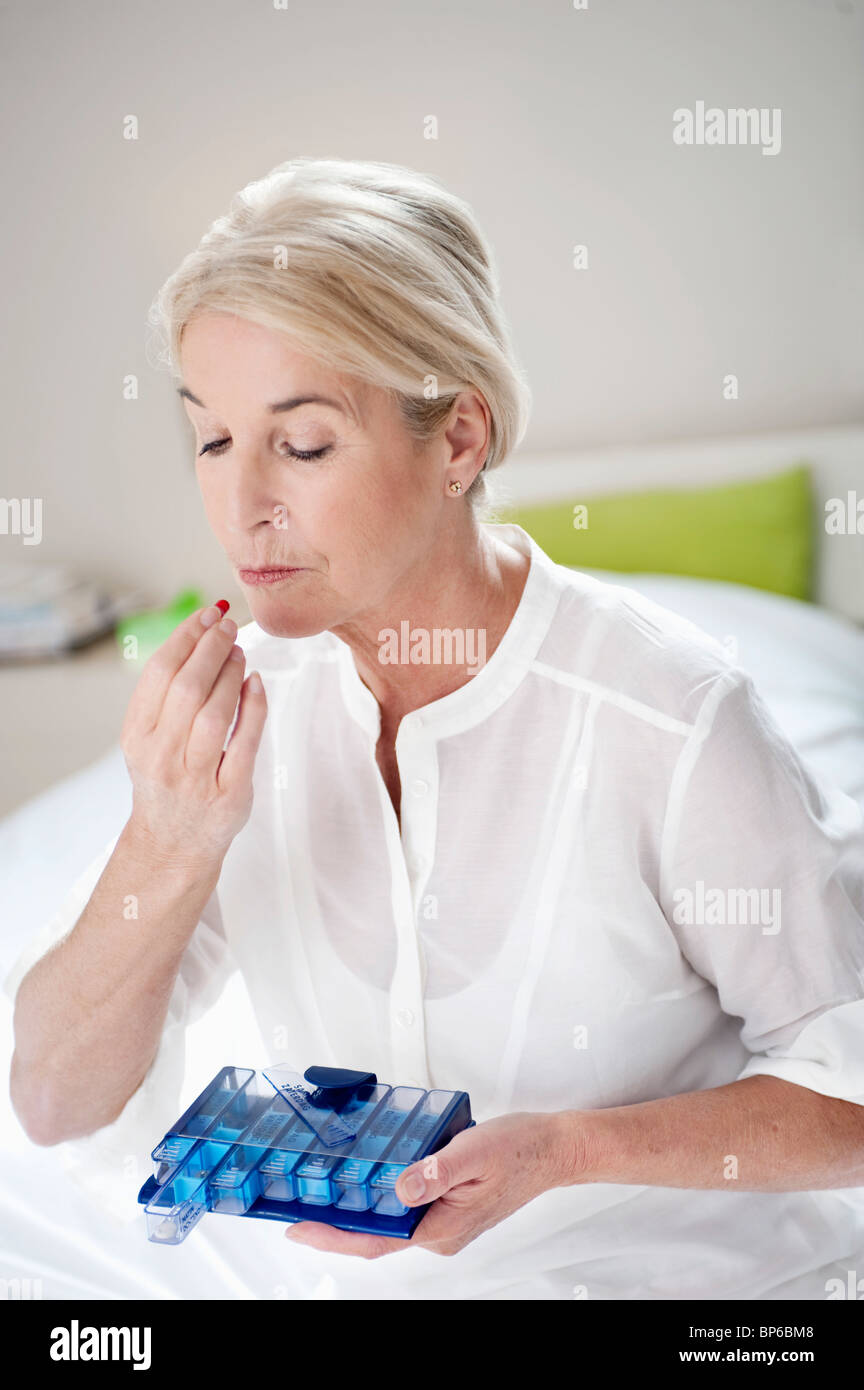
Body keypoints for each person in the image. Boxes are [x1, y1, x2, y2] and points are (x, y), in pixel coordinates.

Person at [7, 157, 864, 1301]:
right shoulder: (242, 712)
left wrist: (566, 1151)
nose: (240, 504)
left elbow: (848, 1100)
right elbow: (55, 1100)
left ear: (458, 440)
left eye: (301, 444)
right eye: (211, 440)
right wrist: (166, 839)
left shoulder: (673, 717)